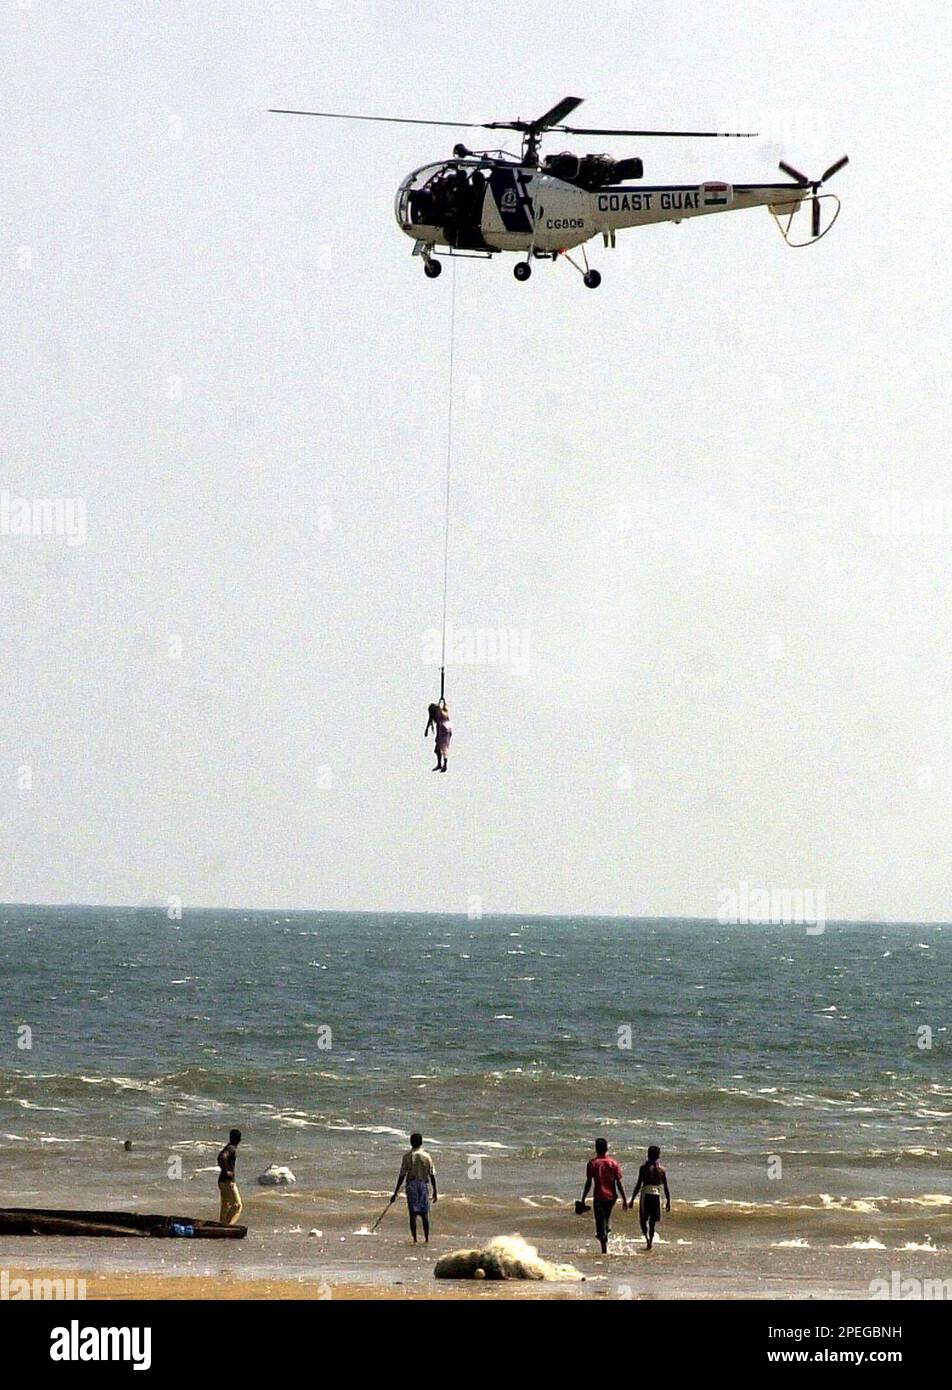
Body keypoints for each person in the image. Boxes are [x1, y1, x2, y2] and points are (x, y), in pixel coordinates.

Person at [581, 1137, 627, 1254]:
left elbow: (588, 1183)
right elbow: (618, 1182)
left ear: (596, 1149)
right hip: (612, 1197)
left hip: (599, 1196)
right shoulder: (613, 1163)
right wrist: (624, 1199)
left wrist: (583, 1198)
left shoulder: (592, 1163)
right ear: (606, 1148)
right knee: (605, 1218)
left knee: (600, 1222)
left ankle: (604, 1249)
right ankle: (606, 1230)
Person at [389, 1132, 437, 1243]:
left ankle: (415, 1239)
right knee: (424, 1214)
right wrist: (435, 1191)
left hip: (411, 1186)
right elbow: (432, 1175)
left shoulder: (407, 1156)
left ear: (411, 1142)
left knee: (412, 1214)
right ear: (421, 1142)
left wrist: (395, 1193)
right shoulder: (427, 1156)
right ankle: (426, 1239)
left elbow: (402, 1175)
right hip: (423, 1185)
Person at [631, 1144, 671, 1250]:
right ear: (658, 1156)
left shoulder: (643, 1168)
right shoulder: (662, 1170)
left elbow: (638, 1184)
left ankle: (647, 1239)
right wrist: (668, 1201)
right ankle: (651, 1241)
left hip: (646, 1194)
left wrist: (632, 1199)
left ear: (648, 1155)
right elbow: (666, 1187)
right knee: (652, 1221)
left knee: (643, 1220)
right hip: (657, 1195)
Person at [217, 1128, 243, 1226]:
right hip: (228, 1182)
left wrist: (223, 1170)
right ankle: (227, 1226)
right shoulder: (231, 1148)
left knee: (225, 1205)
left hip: (221, 1181)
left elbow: (220, 1157)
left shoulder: (227, 1147)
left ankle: (221, 1224)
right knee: (237, 1205)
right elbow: (222, 1157)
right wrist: (227, 1171)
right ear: (239, 1140)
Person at [424, 700, 452, 772]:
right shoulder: (443, 711)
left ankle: (444, 765)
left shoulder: (438, 714)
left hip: (443, 729)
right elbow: (446, 709)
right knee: (438, 749)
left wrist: (437, 736)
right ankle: (440, 764)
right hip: (448, 728)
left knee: (443, 747)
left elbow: (438, 725)